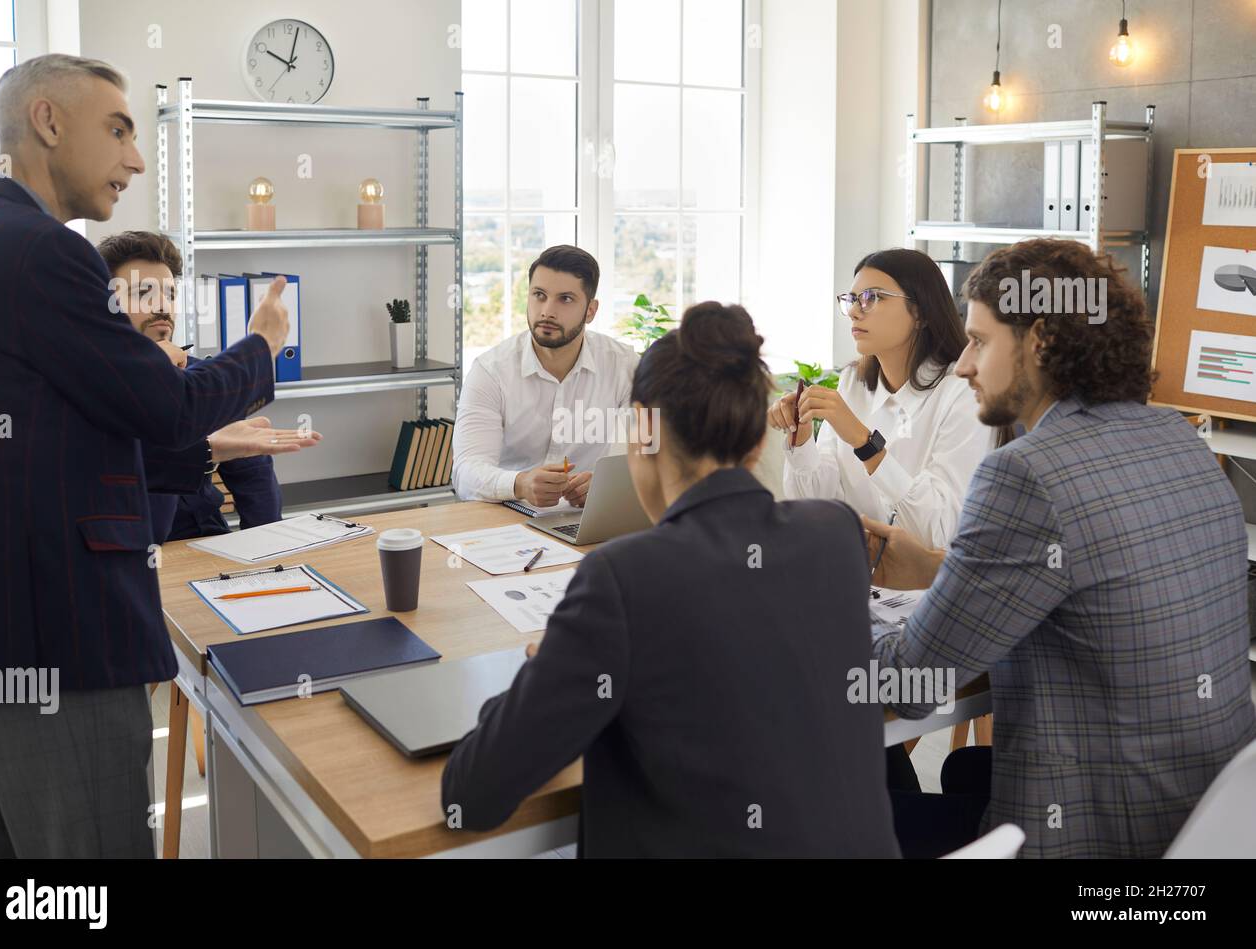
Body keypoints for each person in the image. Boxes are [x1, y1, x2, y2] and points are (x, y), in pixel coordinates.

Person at [0, 54, 311, 858]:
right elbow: (165, 407)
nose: (136, 159)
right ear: (47, 122)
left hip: (0, 636)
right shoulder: (41, 251)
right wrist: (262, 347)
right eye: (117, 130)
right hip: (65, 644)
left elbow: (54, 440)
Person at [442, 302, 900, 858]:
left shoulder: (622, 576)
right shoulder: (835, 534)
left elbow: (472, 795)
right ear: (759, 441)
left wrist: (544, 672)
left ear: (641, 433)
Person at [863, 238, 1256, 858]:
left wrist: (816, 613)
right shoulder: (1176, 437)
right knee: (955, 772)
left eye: (980, 341)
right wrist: (939, 569)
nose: (964, 364)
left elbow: (912, 681)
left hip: (1090, 836)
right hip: (1204, 823)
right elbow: (1093, 581)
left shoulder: (1028, 472)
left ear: (1038, 340)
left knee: (845, 802)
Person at [768, 248, 999, 549]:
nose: (853, 311)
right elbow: (815, 505)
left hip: (929, 588)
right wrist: (801, 437)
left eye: (872, 297)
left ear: (920, 313)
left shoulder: (964, 394)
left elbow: (940, 532)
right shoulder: (854, 383)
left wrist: (865, 443)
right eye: (852, 300)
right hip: (862, 577)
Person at [97, 230, 317, 542]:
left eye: (170, 294)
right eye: (144, 293)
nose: (162, 306)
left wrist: (266, 555)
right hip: (145, 551)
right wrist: (154, 374)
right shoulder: (92, 388)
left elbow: (254, 478)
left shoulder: (204, 378)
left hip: (213, 544)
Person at [451, 245, 638, 509]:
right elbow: (466, 472)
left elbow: (651, 459)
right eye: (539, 295)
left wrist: (605, 486)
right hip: (508, 516)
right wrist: (521, 484)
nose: (547, 311)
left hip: (589, 518)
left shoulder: (628, 367)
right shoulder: (490, 371)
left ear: (591, 311)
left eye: (566, 299)